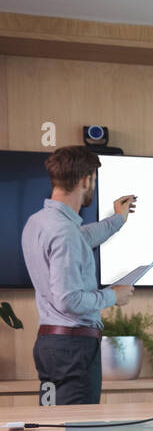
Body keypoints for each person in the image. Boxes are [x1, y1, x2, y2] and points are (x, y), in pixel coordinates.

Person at [21, 146, 138, 405]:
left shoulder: (38, 223)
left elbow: (82, 238)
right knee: (78, 426)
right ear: (86, 180)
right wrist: (113, 296)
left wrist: (117, 220)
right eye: (93, 179)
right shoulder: (65, 233)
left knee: (52, 422)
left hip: (51, 345)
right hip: (73, 350)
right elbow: (69, 300)